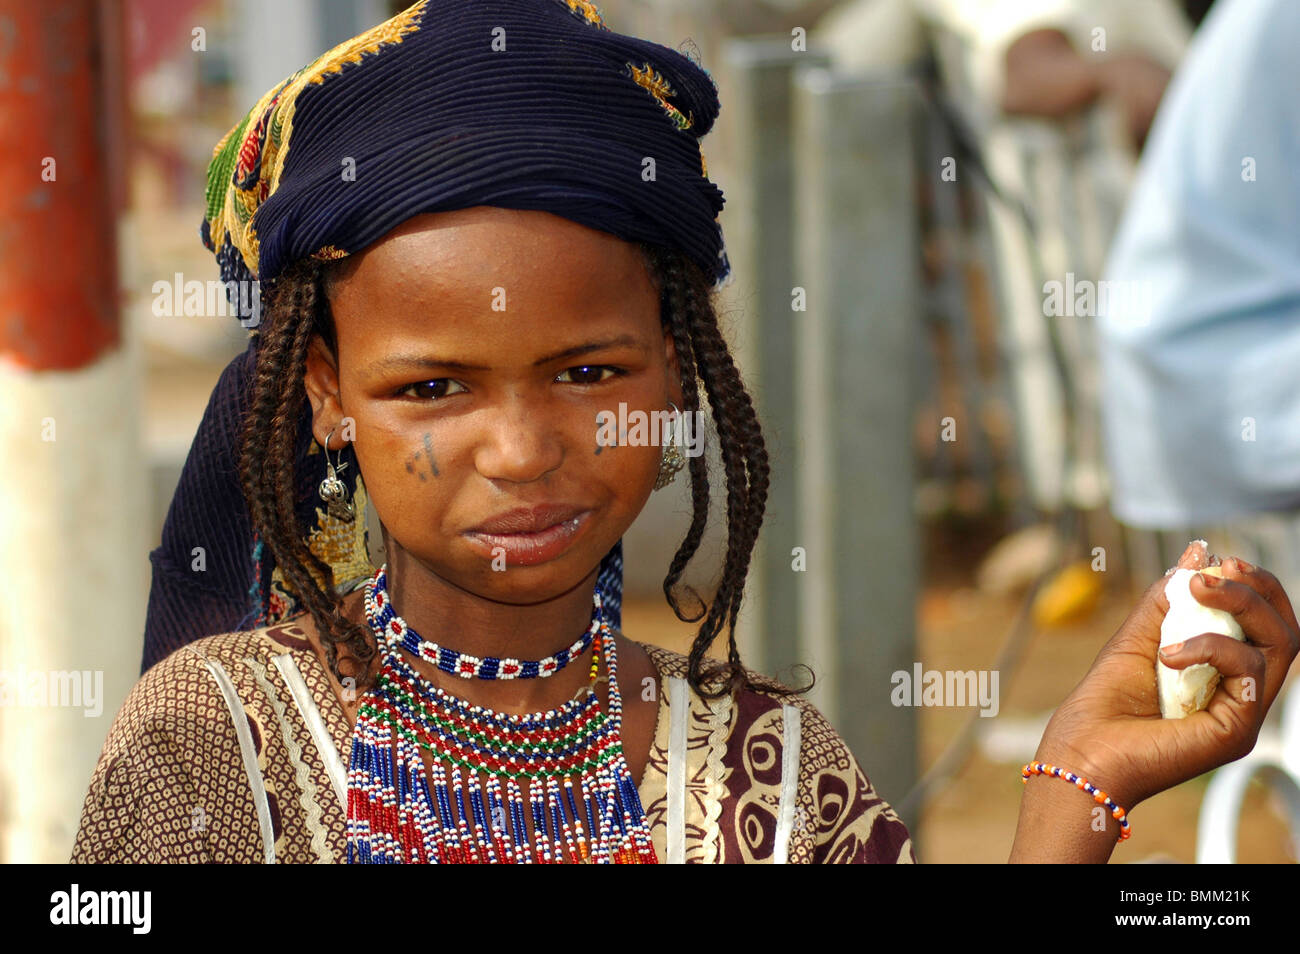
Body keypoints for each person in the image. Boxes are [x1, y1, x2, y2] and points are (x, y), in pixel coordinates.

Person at [71, 0, 1298, 864]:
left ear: (677, 368)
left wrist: (1076, 784)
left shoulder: (773, 775)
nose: (519, 450)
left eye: (588, 371)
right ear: (326, 397)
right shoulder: (214, 746)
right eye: (433, 389)